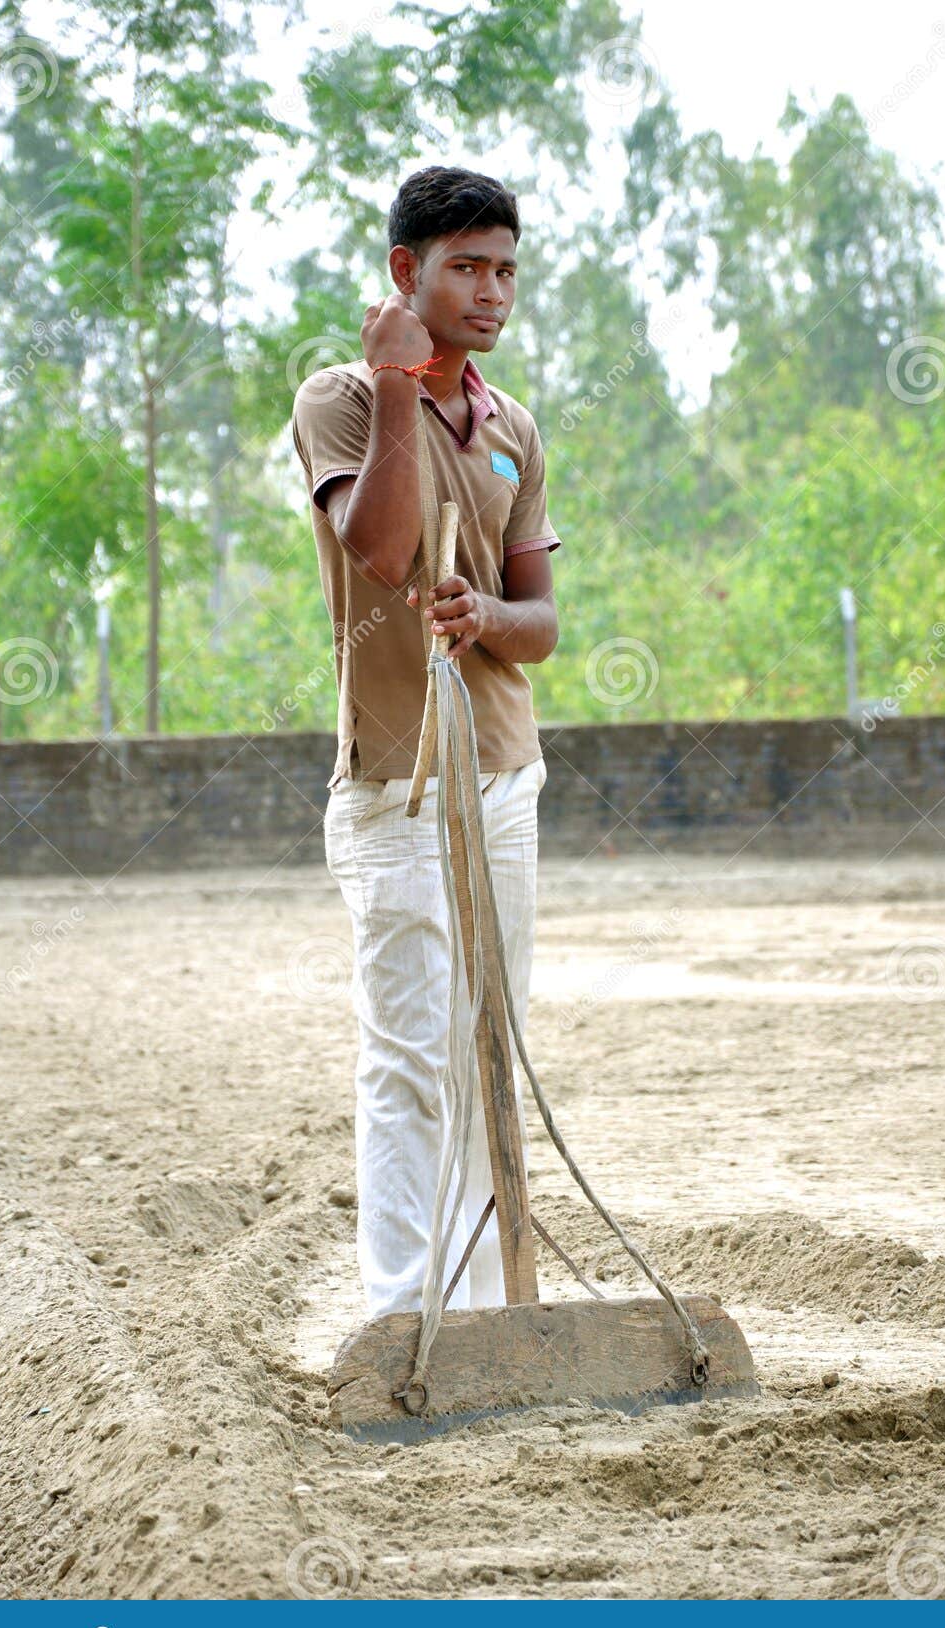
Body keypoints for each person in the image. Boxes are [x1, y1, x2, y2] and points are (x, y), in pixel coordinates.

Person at [291, 164, 561, 1320]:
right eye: (465, 268)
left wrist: (488, 617)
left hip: (502, 774)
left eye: (504, 268)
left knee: (487, 1047)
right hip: (395, 783)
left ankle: (487, 1309)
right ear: (406, 273)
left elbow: (539, 624)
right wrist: (401, 381)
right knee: (409, 1055)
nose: (492, 291)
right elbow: (386, 554)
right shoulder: (340, 399)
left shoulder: (514, 428)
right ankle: (403, 1318)